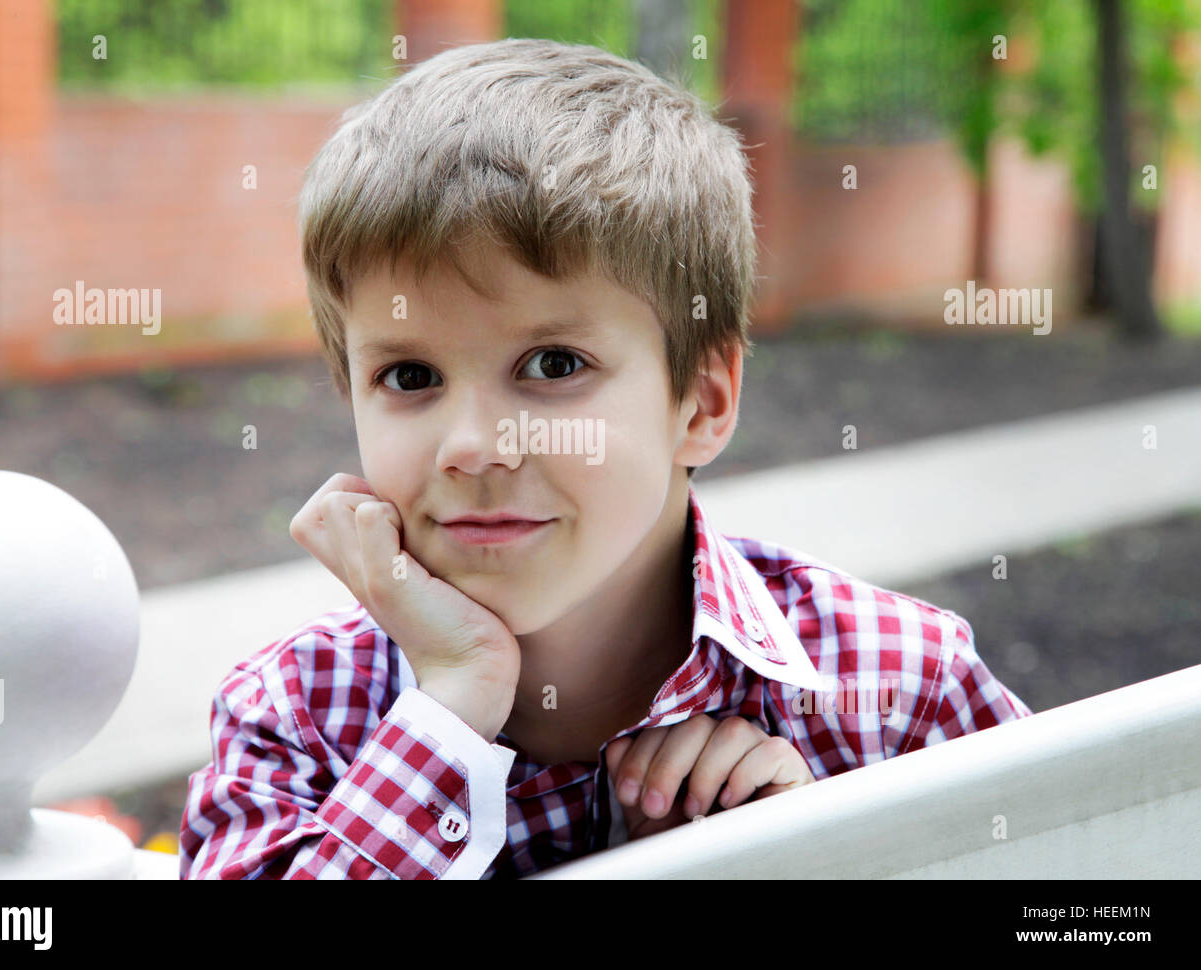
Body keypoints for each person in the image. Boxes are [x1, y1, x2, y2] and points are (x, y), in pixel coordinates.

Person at [180, 37, 1031, 880]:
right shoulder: (295, 718)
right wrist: (448, 709)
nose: (473, 444)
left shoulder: (898, 688)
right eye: (410, 375)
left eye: (554, 365)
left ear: (702, 402)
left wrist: (823, 860)